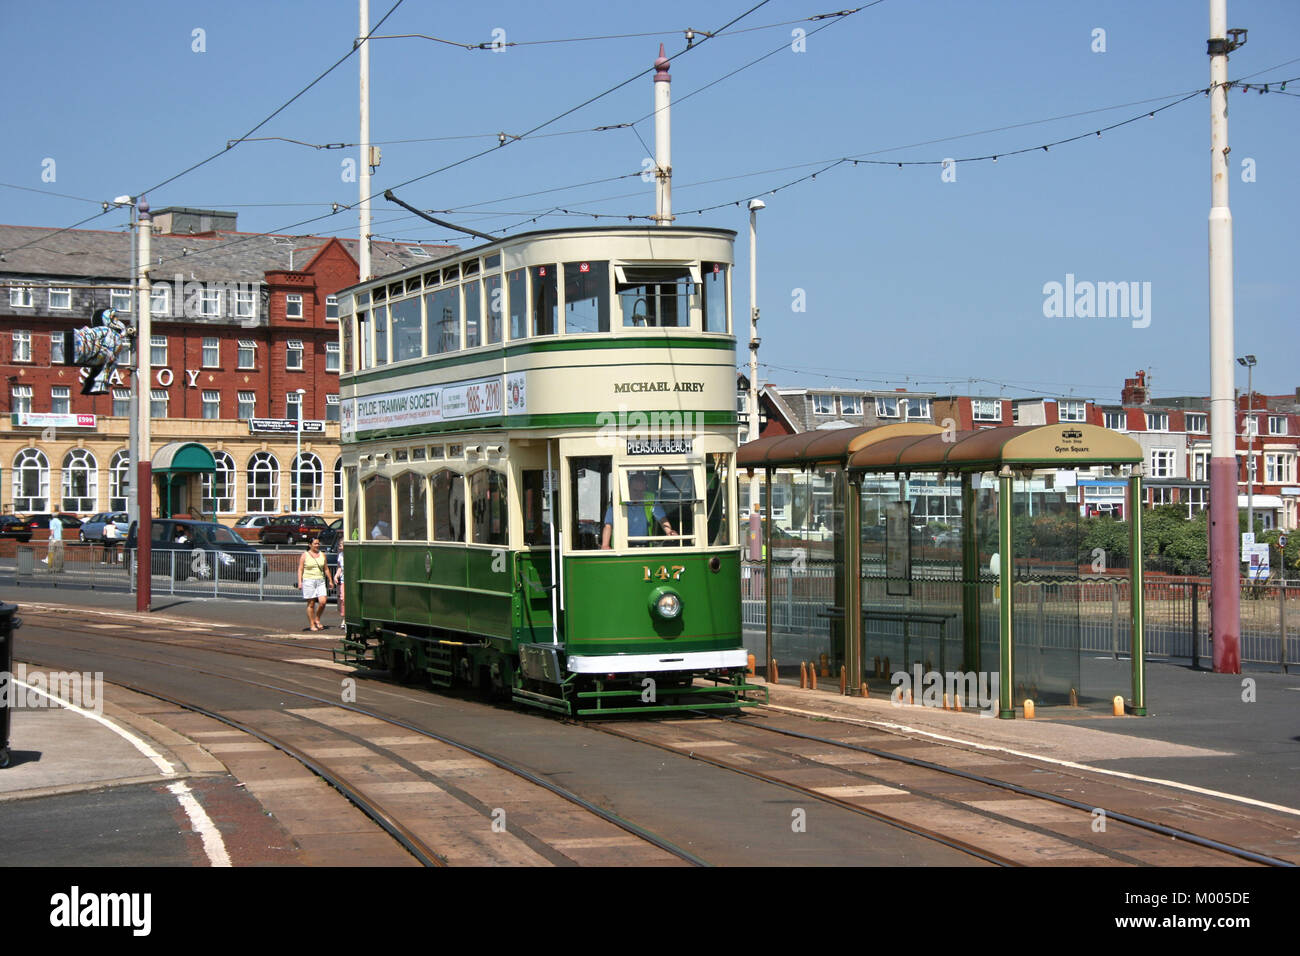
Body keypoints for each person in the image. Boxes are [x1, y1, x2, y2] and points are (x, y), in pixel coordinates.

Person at [601, 472, 675, 549]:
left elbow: (662, 518)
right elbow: (608, 525)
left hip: (644, 547)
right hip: (622, 548)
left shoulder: (650, 498)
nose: (638, 494)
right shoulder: (617, 500)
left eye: (641, 491)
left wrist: (669, 531)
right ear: (628, 489)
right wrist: (605, 545)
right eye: (635, 490)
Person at [297, 536, 334, 632]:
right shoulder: (305, 555)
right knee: (311, 603)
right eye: (315, 544)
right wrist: (300, 582)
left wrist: (330, 580)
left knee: (323, 602)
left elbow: (326, 568)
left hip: (320, 580)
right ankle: (312, 624)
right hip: (308, 580)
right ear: (310, 545)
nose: (317, 545)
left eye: (318, 543)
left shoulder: (322, 555)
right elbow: (300, 569)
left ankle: (317, 618)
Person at [335, 548, 345, 627]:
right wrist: (336, 575)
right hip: (343, 580)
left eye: (341, 544)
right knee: (343, 599)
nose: (339, 546)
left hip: (350, 579)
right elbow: (340, 568)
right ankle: (344, 619)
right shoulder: (341, 555)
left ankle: (346, 620)